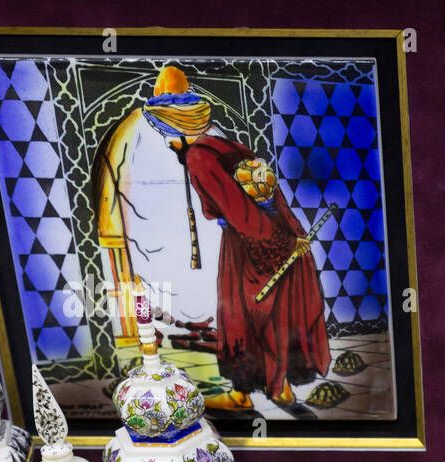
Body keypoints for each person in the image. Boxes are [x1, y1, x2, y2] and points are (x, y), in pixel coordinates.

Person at [142, 65, 331, 410]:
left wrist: (270, 250)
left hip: (250, 245)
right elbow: (270, 198)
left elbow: (240, 213)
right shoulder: (227, 145)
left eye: (166, 133)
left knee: (246, 317)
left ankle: (258, 393)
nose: (168, 142)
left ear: (178, 127)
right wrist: (288, 237)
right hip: (271, 236)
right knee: (267, 318)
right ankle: (267, 390)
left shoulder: (199, 156)